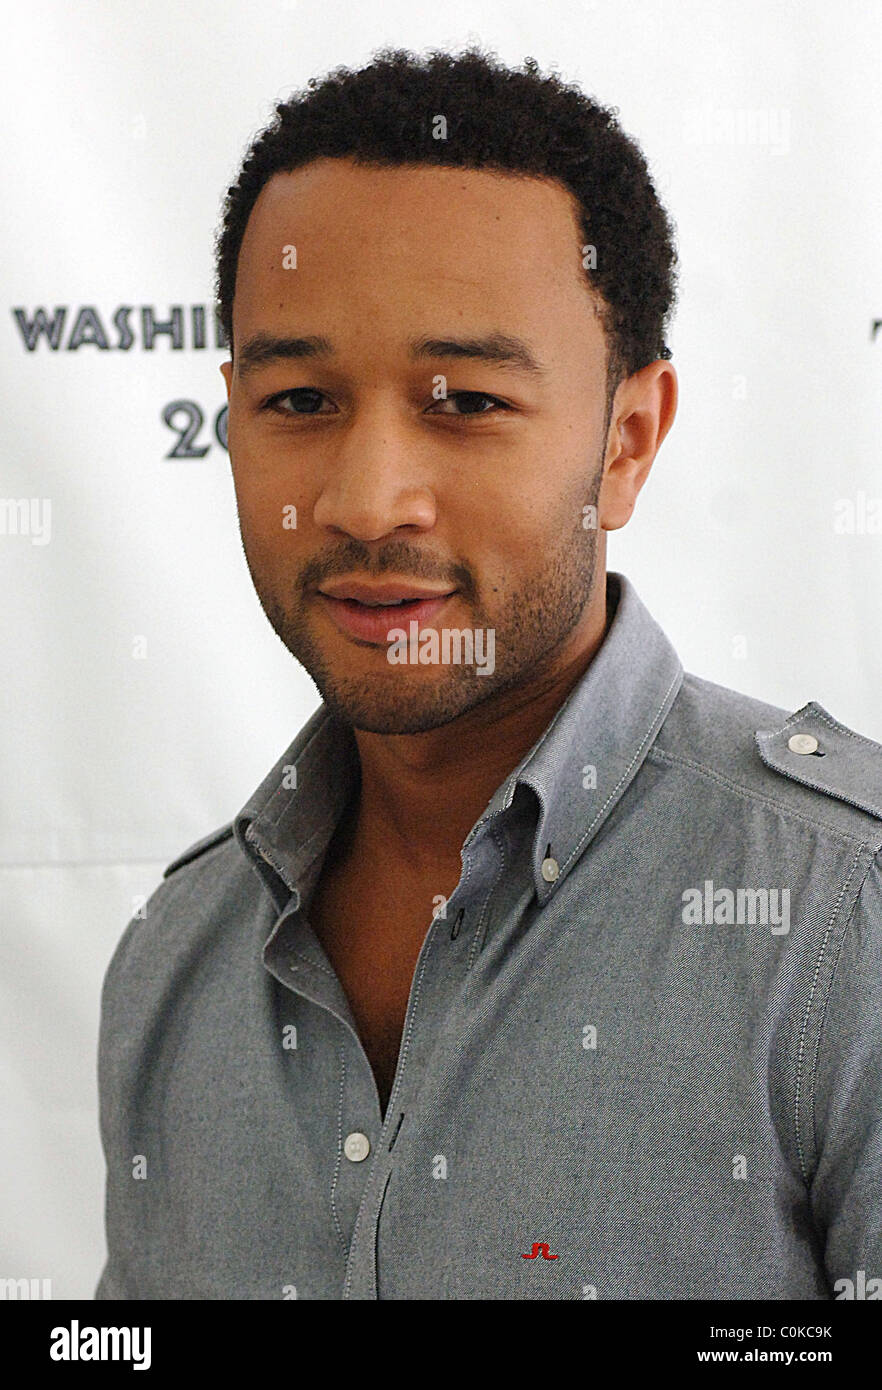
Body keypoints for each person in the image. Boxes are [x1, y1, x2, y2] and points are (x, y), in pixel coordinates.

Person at [96, 46, 882, 1300]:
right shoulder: (173, 961)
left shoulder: (845, 919)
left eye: (462, 400)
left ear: (626, 441)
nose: (365, 502)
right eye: (300, 399)